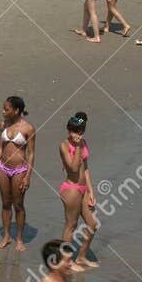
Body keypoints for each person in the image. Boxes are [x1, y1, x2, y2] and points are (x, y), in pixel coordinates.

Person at [0, 94, 35, 252]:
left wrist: (28, 176)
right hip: (3, 168)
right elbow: (0, 148)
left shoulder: (28, 128)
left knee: (18, 205)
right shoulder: (3, 124)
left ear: (16, 110)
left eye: (6, 109)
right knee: (5, 204)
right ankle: (7, 236)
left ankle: (20, 239)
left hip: (19, 170)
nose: (3, 111)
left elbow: (31, 154)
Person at [58, 111, 97, 267]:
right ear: (68, 130)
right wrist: (78, 146)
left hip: (83, 189)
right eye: (73, 131)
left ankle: (81, 257)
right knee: (71, 225)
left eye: (79, 132)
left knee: (92, 224)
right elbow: (73, 168)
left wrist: (91, 191)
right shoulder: (64, 146)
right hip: (71, 189)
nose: (76, 135)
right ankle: (65, 261)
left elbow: (85, 168)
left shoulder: (83, 142)